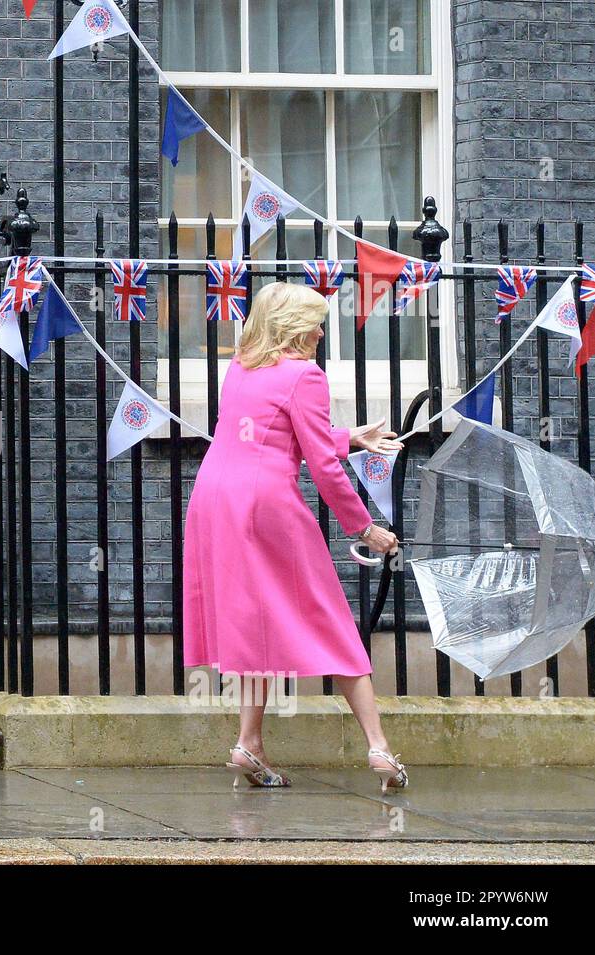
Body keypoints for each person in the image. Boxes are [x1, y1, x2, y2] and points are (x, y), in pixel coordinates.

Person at [182, 282, 410, 794]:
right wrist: (365, 528)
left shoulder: (242, 366)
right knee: (327, 614)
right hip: (264, 501)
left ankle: (249, 743)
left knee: (252, 620)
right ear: (293, 327)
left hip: (215, 497)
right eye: (316, 321)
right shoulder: (305, 374)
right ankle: (379, 748)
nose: (322, 330)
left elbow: (262, 432)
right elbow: (322, 467)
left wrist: (349, 435)